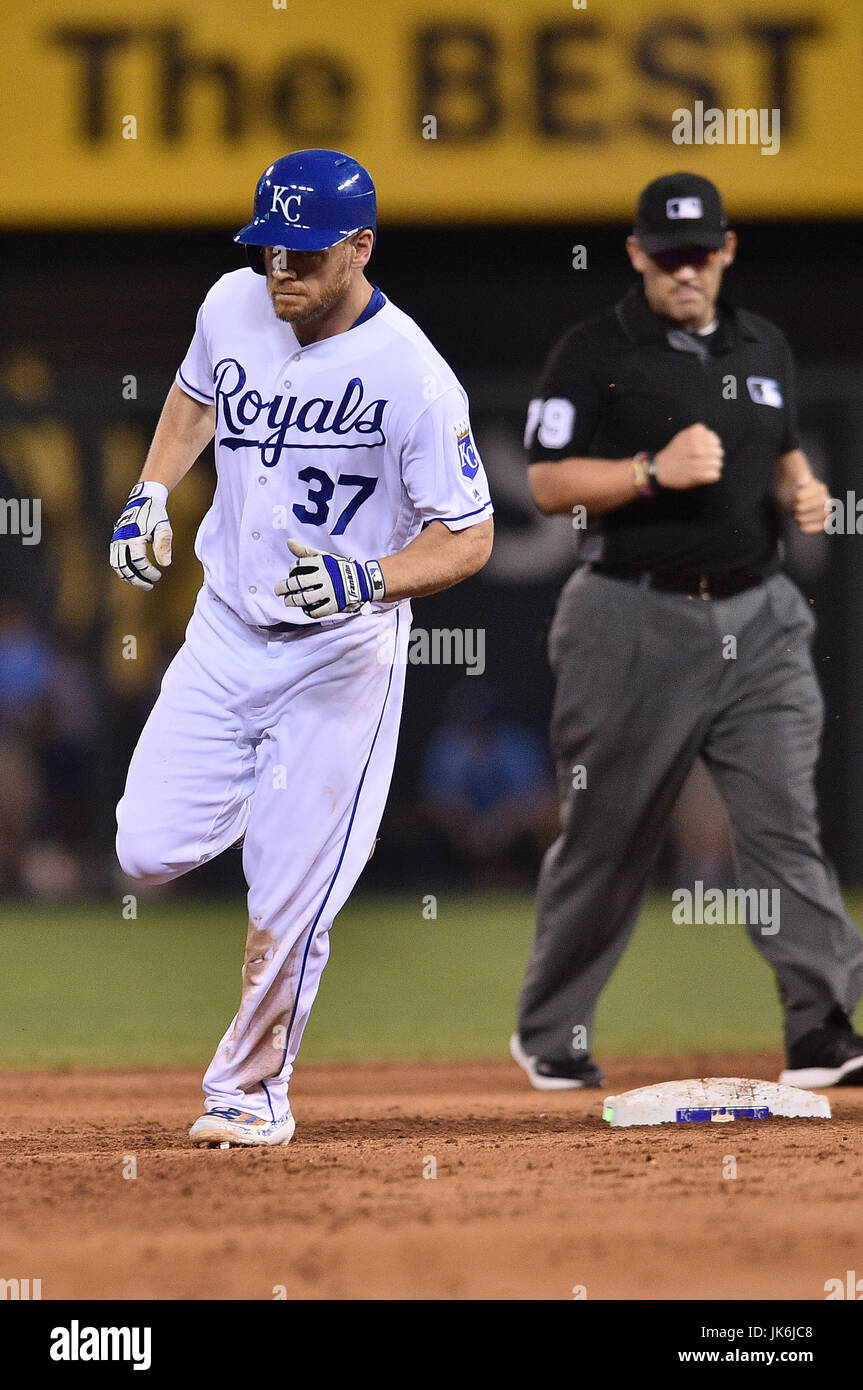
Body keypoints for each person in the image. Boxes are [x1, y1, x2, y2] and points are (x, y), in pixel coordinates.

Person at [110, 149, 493, 1146]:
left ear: (359, 247)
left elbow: (470, 534)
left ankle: (249, 1092)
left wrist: (371, 577)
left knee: (290, 901)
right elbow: (198, 393)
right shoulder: (233, 304)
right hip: (226, 632)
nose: (282, 269)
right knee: (143, 848)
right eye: (269, 247)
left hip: (339, 655)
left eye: (305, 254)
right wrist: (151, 490)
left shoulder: (411, 374)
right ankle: (293, 818)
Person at [511, 171, 863, 1092]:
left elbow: (780, 443)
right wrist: (647, 471)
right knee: (608, 835)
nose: (684, 269)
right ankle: (550, 1030)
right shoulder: (594, 350)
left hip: (761, 613)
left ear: (726, 250)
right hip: (631, 612)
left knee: (785, 821)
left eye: (699, 251)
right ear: (635, 255)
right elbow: (546, 484)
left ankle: (820, 1027)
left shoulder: (764, 344)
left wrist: (800, 487)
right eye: (665, 255)